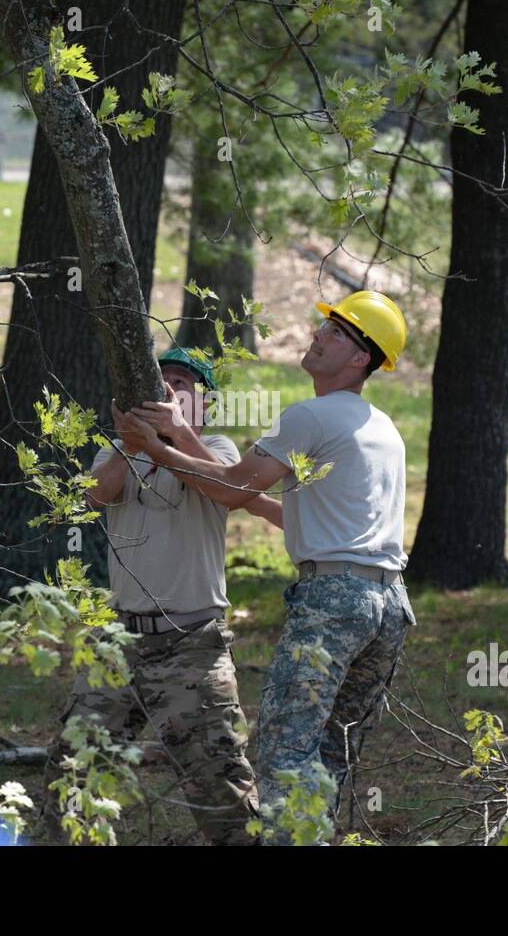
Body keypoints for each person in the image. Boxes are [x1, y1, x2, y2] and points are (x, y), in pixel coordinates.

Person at [115, 291, 415, 840]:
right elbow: (279, 508)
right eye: (326, 326)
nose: (319, 335)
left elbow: (229, 490)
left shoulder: (308, 417)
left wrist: (155, 446)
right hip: (388, 605)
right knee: (331, 751)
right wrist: (184, 438)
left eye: (338, 333)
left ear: (361, 359)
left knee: (286, 751)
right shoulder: (381, 427)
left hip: (333, 604)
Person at [41, 347, 281, 845]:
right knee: (75, 767)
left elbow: (226, 488)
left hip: (192, 640)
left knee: (219, 782)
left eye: (181, 386)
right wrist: (134, 442)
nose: (167, 391)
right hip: (119, 641)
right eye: (159, 383)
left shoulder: (216, 448)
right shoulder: (115, 449)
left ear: (205, 404)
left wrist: (171, 436)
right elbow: (94, 497)